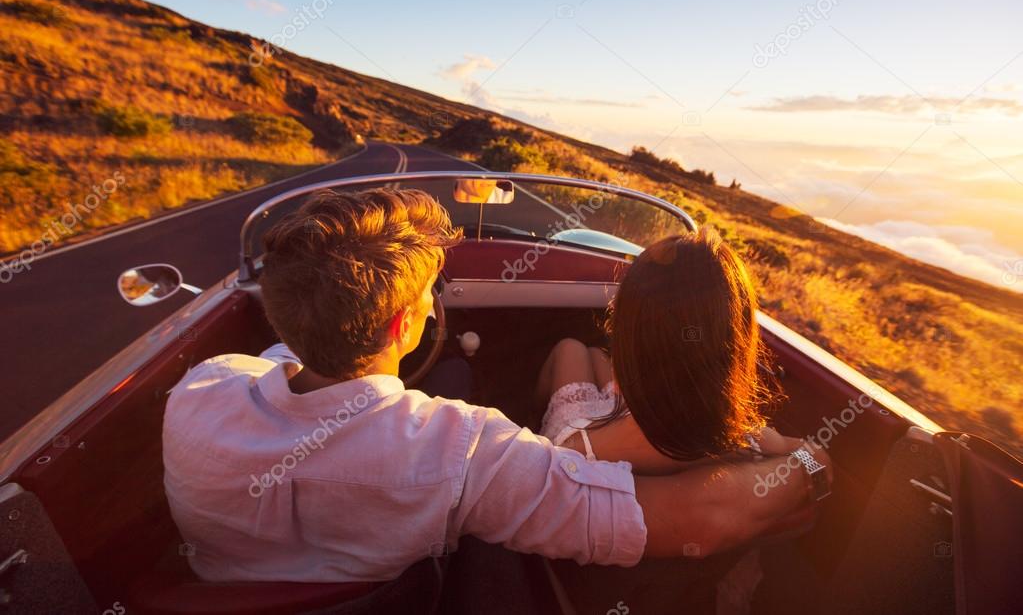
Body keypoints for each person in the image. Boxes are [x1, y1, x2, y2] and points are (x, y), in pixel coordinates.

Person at [162, 187, 829, 585]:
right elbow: (706, 521)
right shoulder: (463, 451)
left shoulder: (201, 391)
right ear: (406, 321)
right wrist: (807, 461)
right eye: (430, 294)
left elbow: (292, 345)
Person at [537, 229, 812, 471]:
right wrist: (809, 472)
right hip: (649, 416)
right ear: (734, 355)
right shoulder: (750, 440)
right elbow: (813, 455)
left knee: (570, 349)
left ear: (630, 348)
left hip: (607, 427)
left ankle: (534, 412)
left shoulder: (573, 453)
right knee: (595, 356)